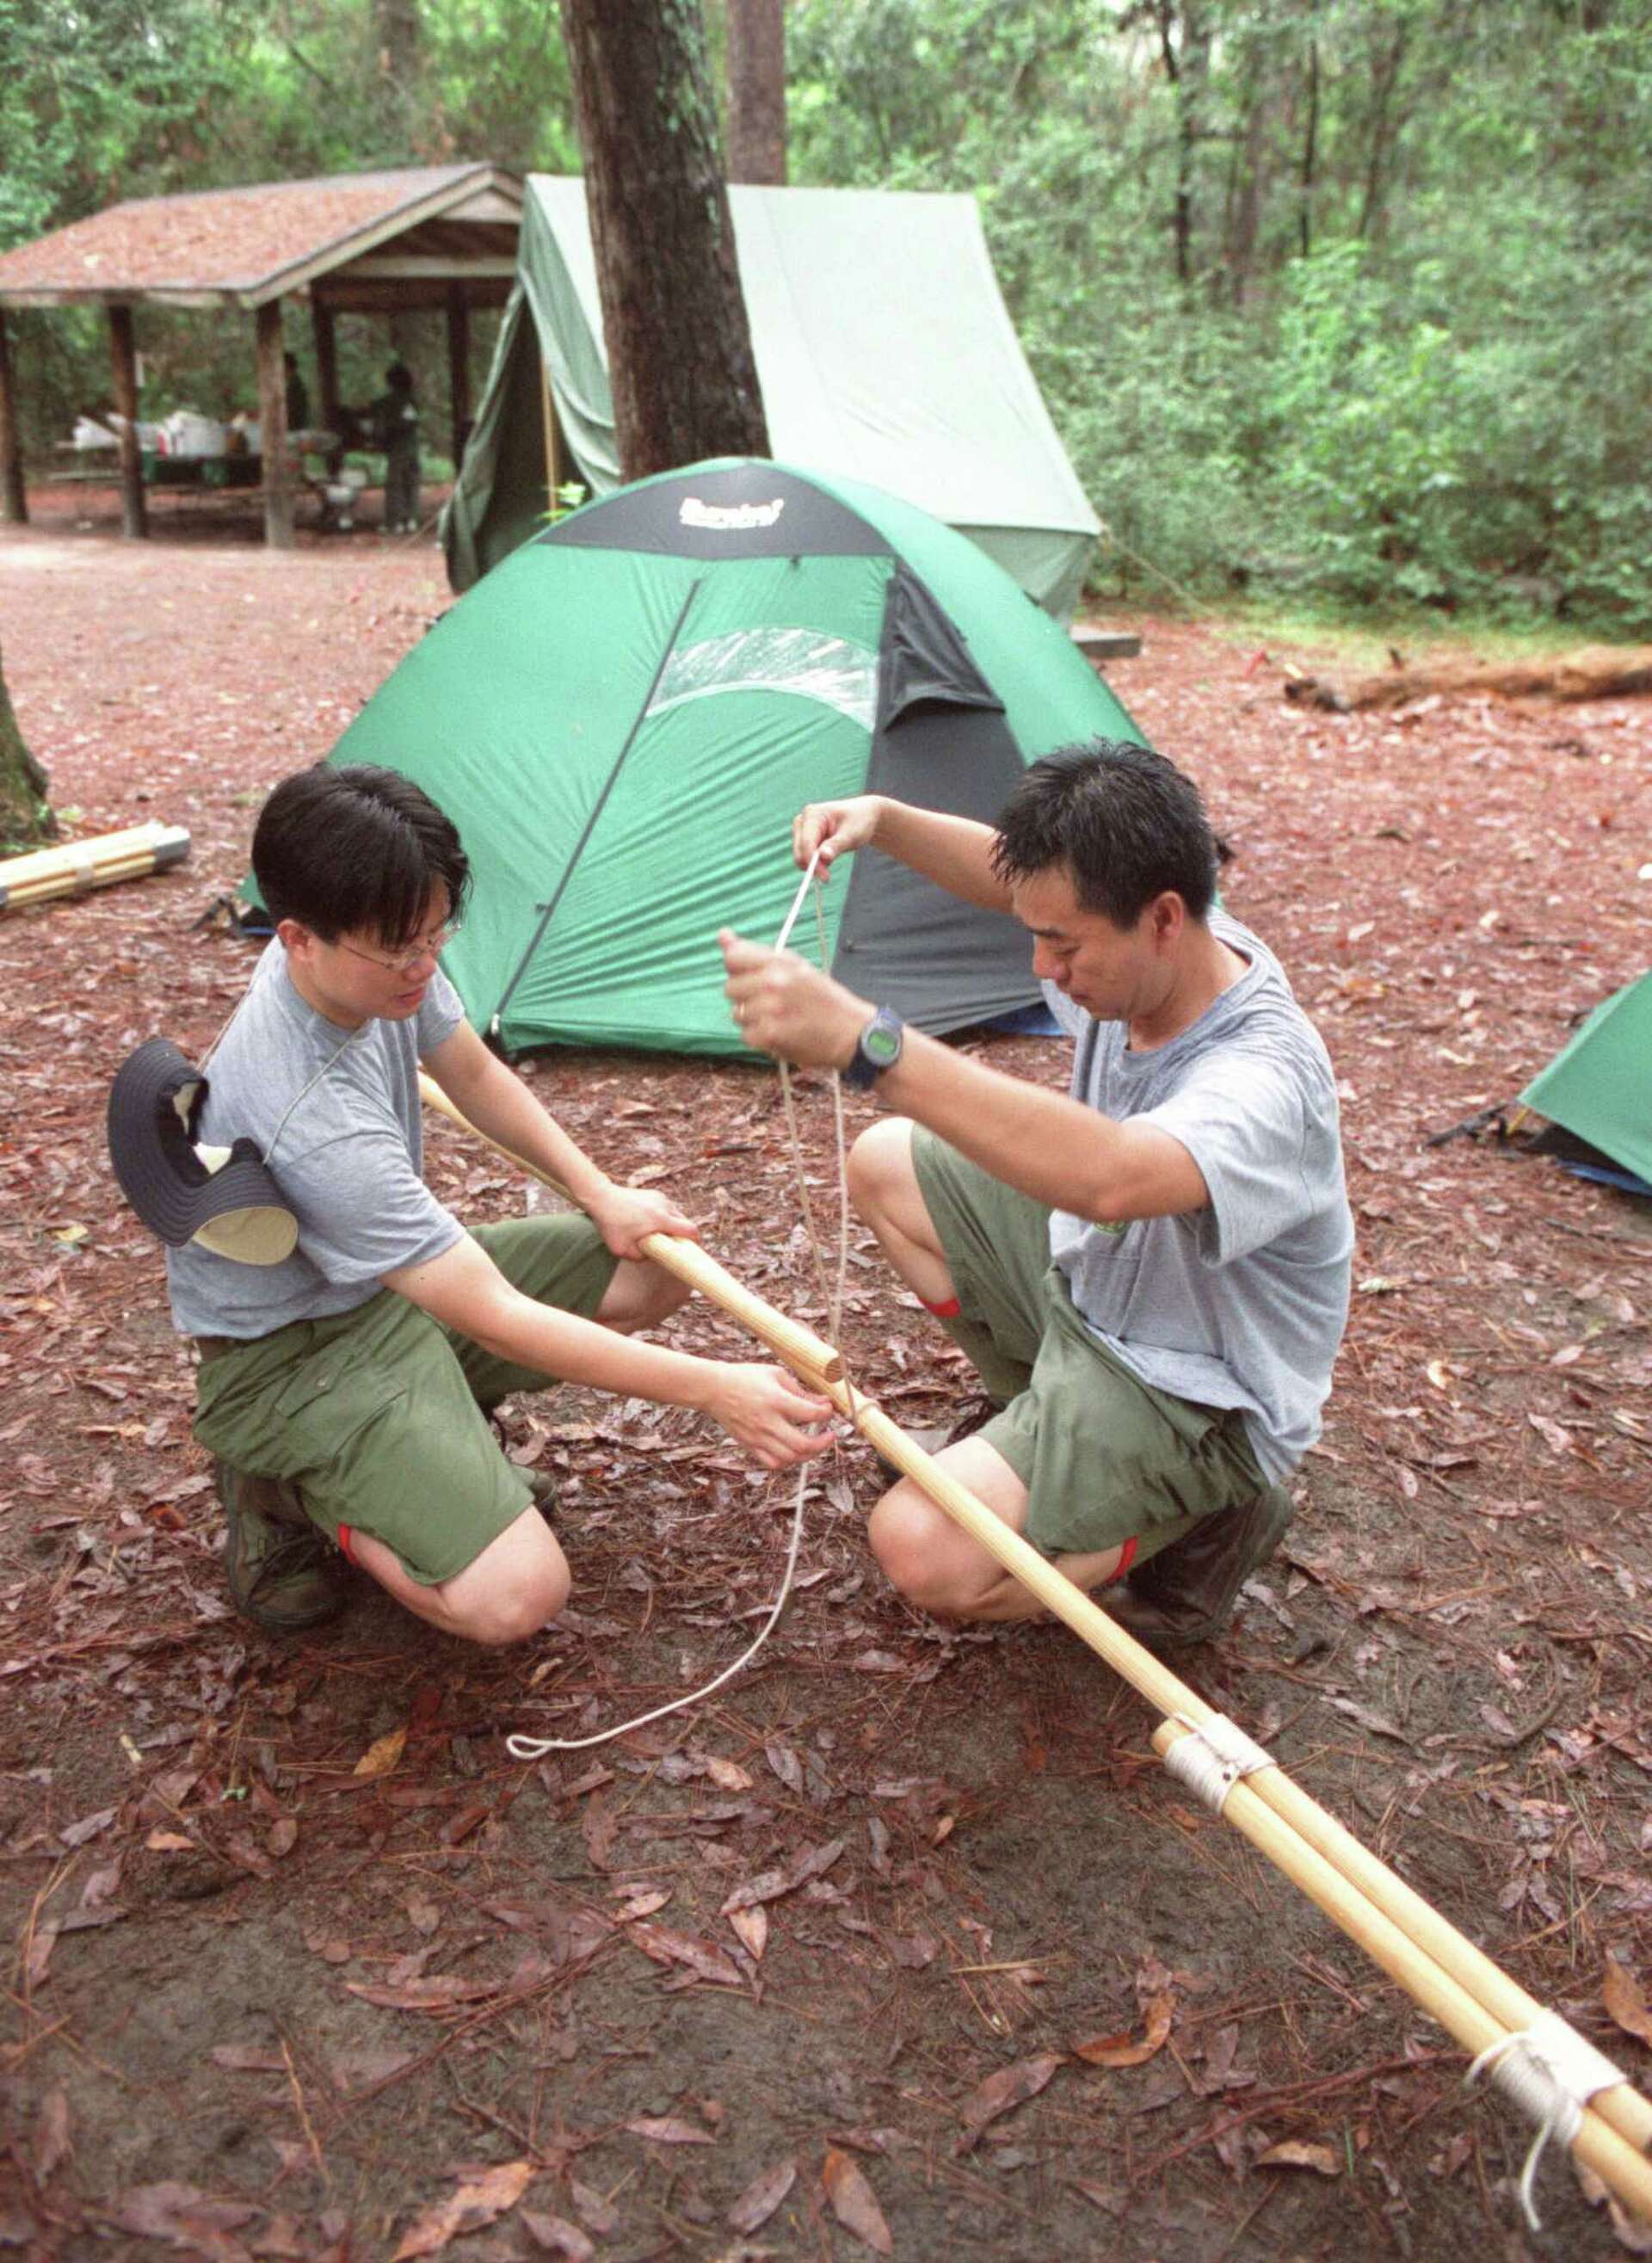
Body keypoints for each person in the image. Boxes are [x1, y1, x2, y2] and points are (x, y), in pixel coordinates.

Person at [166, 763, 833, 1641]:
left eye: (436, 933)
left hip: (376, 1293)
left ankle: (426, 1435)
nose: (423, 963)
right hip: (294, 1357)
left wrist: (603, 1196)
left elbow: (471, 1067)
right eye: (400, 946)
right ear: (297, 938)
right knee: (516, 1594)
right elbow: (494, 1313)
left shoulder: (370, 949)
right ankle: (283, 1485)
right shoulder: (309, 1120)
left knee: (659, 1269)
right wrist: (714, 1390)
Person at [718, 740, 1353, 1652]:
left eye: (1065, 944)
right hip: (1099, 1295)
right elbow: (1018, 880)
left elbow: (1113, 1176)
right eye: (1039, 936)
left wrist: (871, 1043)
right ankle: (1044, 1430)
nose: (1044, 966)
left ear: (1164, 918)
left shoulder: (1262, 1079)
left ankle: (1209, 1521)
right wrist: (886, 823)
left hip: (1198, 1391)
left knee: (927, 1550)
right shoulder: (1150, 941)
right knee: (890, 1164)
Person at [367, 361, 421, 533]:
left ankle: (395, 522)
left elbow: (375, 412)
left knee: (395, 485)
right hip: (413, 448)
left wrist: (381, 437)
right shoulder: (411, 400)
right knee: (411, 484)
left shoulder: (390, 401)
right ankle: (411, 519)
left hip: (398, 449)